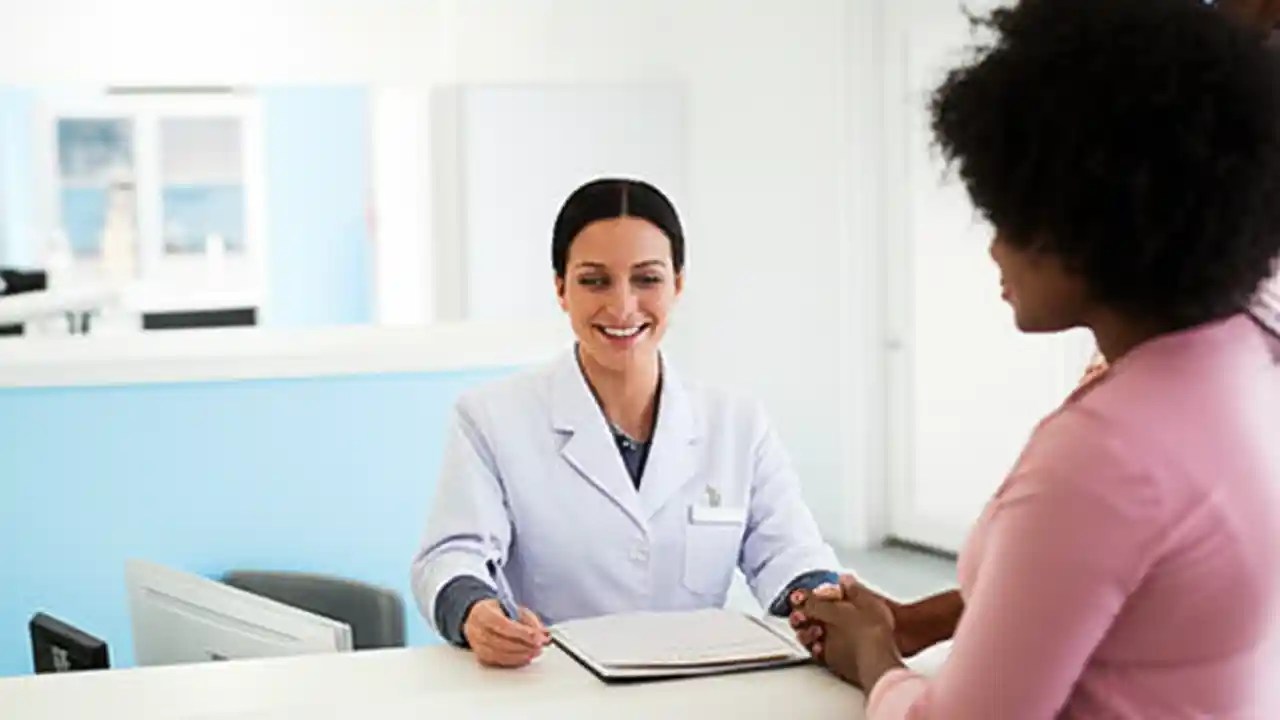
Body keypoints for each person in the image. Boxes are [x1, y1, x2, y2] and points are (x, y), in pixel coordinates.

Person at [790, 0, 1280, 716]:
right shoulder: (1244, 359)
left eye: (1005, 215)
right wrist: (916, 623)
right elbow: (1102, 577)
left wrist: (877, 660)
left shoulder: (1106, 453)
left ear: (1086, 219)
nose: (992, 247)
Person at [410, 178, 847, 668]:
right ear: (561, 288)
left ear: (677, 285)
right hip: (553, 689)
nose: (622, 306)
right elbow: (453, 555)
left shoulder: (737, 425)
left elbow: (791, 553)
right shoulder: (492, 419)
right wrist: (474, 612)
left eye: (647, 279)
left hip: (694, 690)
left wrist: (819, 601)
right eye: (595, 280)